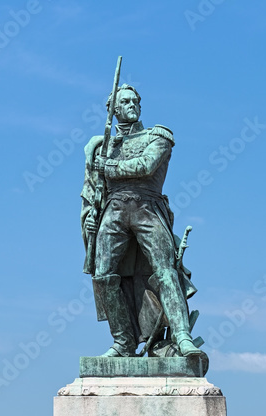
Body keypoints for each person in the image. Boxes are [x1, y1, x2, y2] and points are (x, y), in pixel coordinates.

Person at [81, 81, 204, 359]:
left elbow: (146, 166)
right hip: (113, 211)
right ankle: (123, 342)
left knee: (164, 272)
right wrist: (91, 215)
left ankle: (183, 338)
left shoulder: (157, 136)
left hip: (146, 206)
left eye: (134, 101)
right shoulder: (103, 147)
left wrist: (107, 165)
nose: (132, 105)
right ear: (113, 110)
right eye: (124, 102)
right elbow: (92, 189)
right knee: (104, 276)